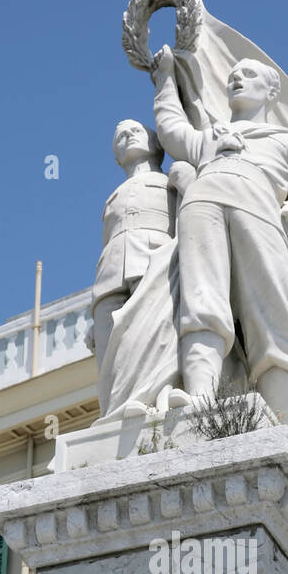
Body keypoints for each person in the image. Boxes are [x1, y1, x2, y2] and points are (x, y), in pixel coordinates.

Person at [152, 46, 288, 432]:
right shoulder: (210, 137)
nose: (237, 78)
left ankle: (284, 429)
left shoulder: (287, 143)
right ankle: (200, 400)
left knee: (274, 320)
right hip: (203, 202)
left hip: (259, 211)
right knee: (201, 304)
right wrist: (165, 79)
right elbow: (171, 130)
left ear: (272, 92)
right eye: (233, 74)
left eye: (250, 74)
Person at [89, 120, 177, 413]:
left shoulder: (171, 183)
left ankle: (154, 397)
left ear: (155, 144)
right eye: (119, 136)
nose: (126, 136)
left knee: (153, 329)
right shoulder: (111, 197)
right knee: (107, 340)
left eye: (134, 131)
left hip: (154, 258)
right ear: (115, 156)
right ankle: (113, 411)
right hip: (109, 275)